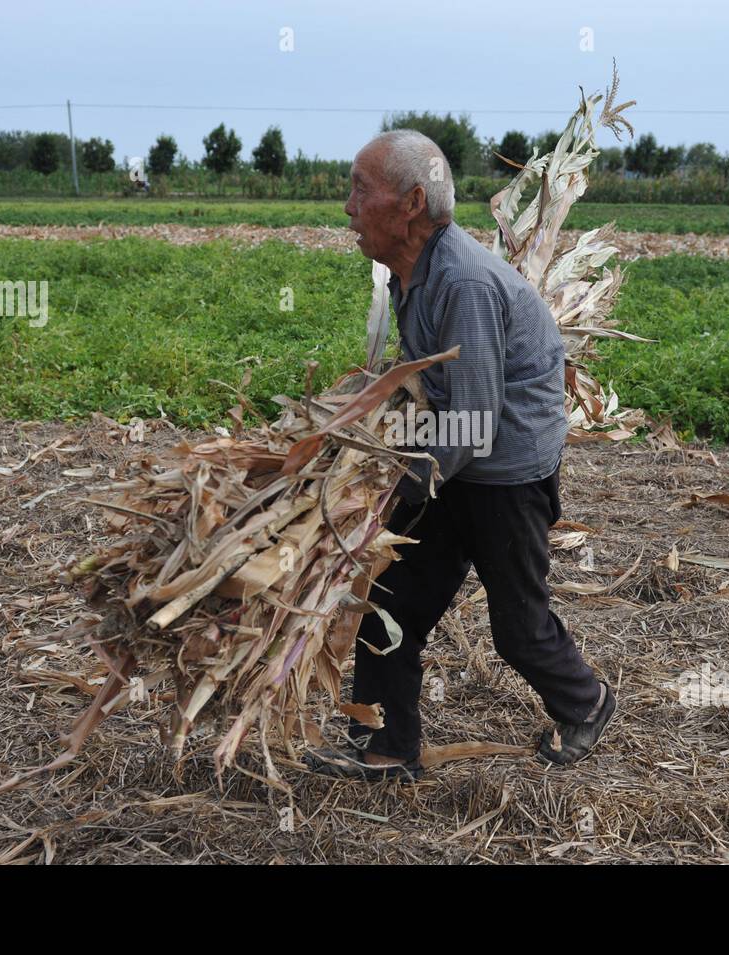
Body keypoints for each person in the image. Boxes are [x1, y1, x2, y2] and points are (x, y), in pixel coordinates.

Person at [303, 130, 616, 783]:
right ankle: (387, 751)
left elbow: (473, 422)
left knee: (518, 628)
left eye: (361, 189)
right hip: (451, 463)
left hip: (503, 477)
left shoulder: (464, 282)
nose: (348, 207)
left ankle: (587, 703)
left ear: (412, 202)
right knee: (391, 605)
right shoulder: (411, 273)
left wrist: (400, 487)